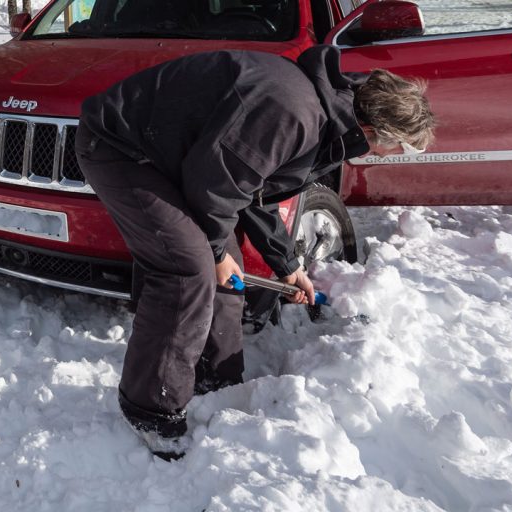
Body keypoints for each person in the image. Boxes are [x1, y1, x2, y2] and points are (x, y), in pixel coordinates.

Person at [75, 45, 435, 460]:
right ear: (375, 130)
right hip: (123, 149)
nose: (393, 156)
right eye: (402, 149)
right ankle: (149, 409)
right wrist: (213, 250)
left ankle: (219, 381)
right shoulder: (292, 111)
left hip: (181, 163)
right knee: (187, 268)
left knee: (230, 272)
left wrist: (287, 266)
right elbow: (214, 185)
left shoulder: (322, 119)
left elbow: (253, 192)